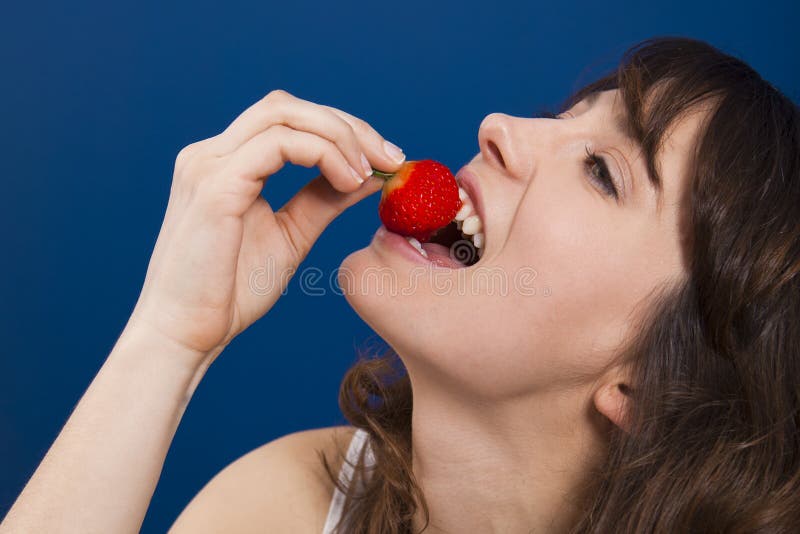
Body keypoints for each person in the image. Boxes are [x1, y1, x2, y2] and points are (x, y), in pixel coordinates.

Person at [2, 35, 798, 534]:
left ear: (653, 386)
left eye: (601, 170)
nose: (501, 126)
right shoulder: (294, 504)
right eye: (567, 114)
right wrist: (170, 337)